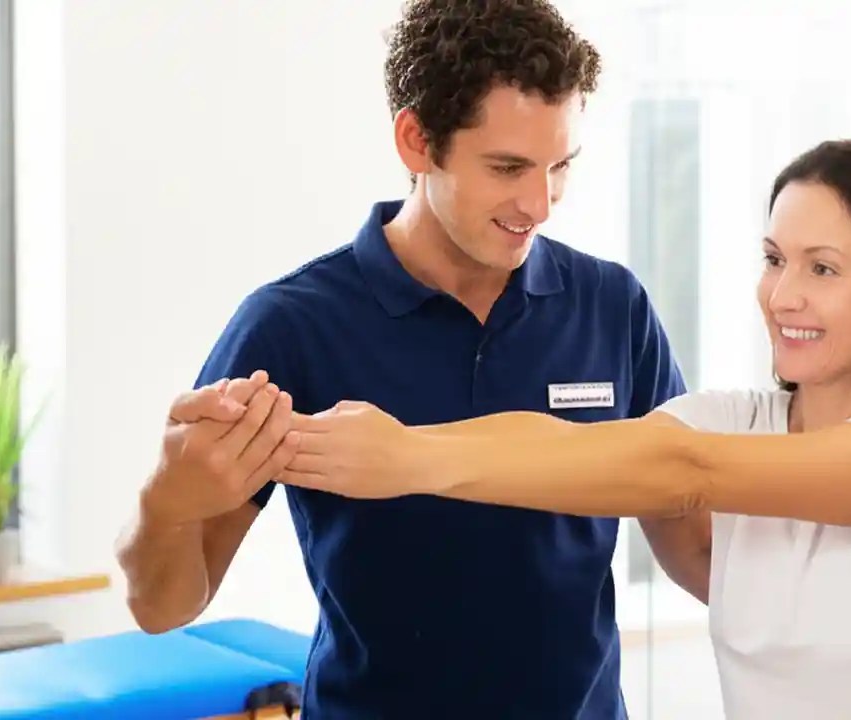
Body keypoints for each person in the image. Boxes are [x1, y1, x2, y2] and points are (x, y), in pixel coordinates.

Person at [274, 139, 851, 719]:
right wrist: (398, 444)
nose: (784, 295)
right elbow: (568, 446)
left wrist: (407, 462)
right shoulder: (735, 420)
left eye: (824, 269)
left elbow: (686, 472)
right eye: (775, 259)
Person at [114, 2, 687, 718]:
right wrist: (165, 502)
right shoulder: (292, 326)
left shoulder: (612, 305)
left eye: (560, 166)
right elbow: (164, 606)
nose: (540, 204)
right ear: (417, 140)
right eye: (507, 167)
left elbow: (697, 542)